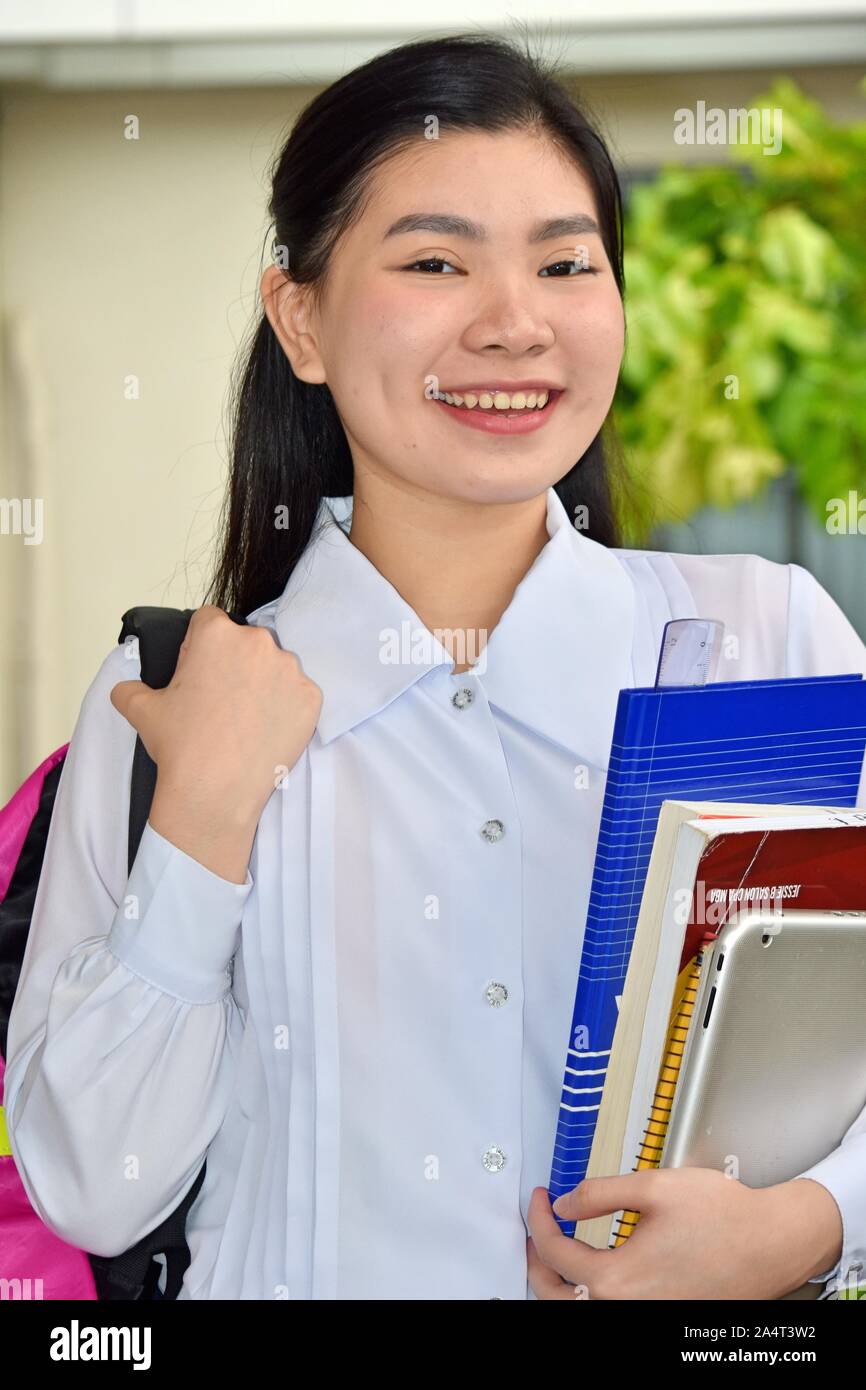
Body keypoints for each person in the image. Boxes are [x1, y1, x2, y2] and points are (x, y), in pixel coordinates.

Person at [5, 32, 866, 1301]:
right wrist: (201, 824)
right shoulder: (168, 702)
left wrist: (808, 1225)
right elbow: (93, 1182)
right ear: (298, 318)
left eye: (566, 263)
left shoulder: (760, 647)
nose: (514, 324)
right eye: (434, 262)